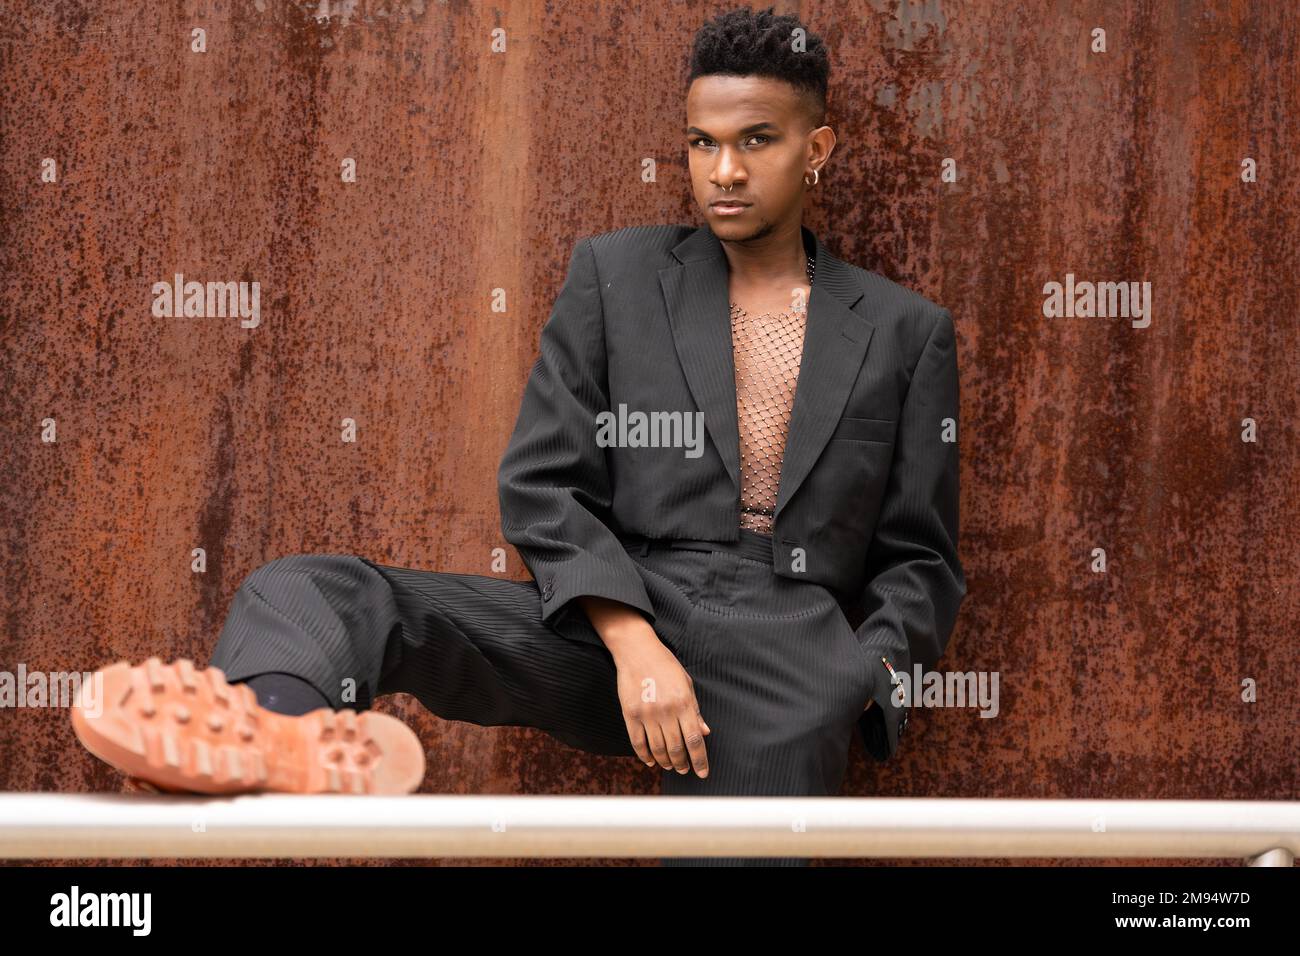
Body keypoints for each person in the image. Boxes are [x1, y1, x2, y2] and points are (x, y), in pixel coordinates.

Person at [71, 6, 965, 866]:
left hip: (785, 646)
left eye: (756, 141)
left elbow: (920, 558)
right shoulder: (616, 276)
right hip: (616, 614)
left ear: (818, 150)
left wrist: (859, 677)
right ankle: (272, 733)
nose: (723, 170)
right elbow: (543, 481)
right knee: (311, 589)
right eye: (702, 142)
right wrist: (633, 642)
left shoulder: (902, 330)